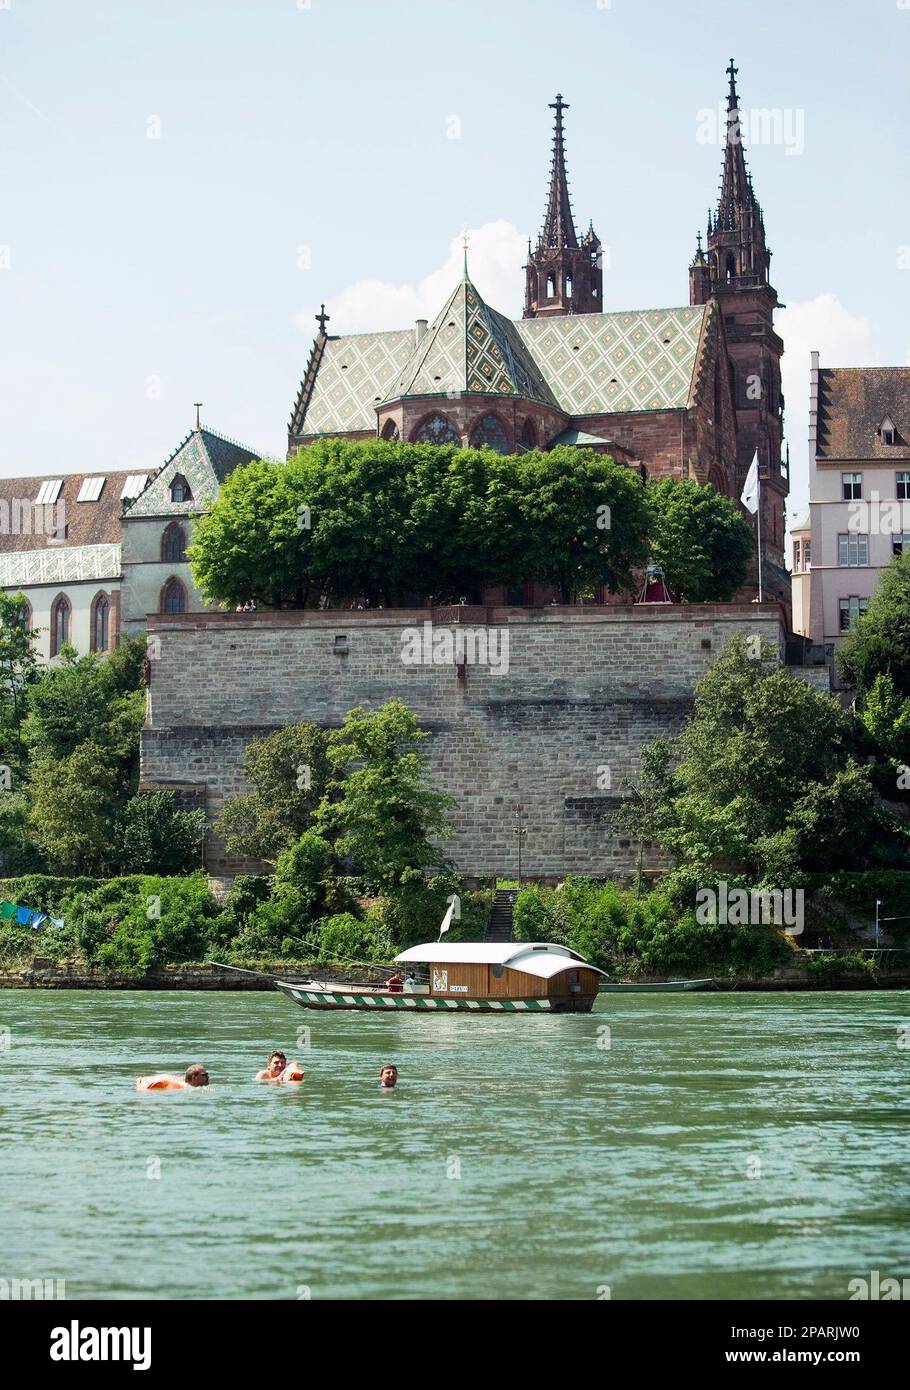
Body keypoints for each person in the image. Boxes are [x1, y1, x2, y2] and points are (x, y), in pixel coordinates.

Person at [136, 1064, 209, 1091]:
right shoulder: (179, 1087)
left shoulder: (183, 1082)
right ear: (194, 1077)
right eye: (204, 1075)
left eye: (207, 1074)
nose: (207, 1077)